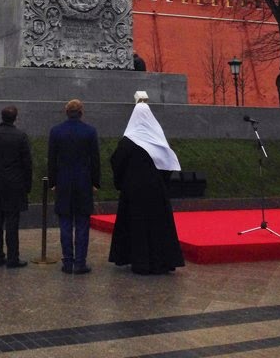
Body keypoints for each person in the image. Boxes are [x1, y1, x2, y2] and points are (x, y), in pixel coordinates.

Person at [108, 94, 185, 275]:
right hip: (156, 192)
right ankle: (161, 261)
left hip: (133, 192)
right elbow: (168, 164)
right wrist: (161, 184)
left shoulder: (127, 142)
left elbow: (116, 162)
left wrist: (121, 183)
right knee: (158, 226)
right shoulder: (158, 139)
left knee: (136, 226)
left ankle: (138, 261)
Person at [48, 99, 100, 275]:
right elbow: (95, 160)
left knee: (65, 223)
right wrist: (95, 182)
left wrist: (53, 182)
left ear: (66, 112)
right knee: (82, 224)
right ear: (81, 112)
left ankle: (67, 262)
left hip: (63, 182)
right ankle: (80, 263)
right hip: (83, 182)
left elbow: (52, 160)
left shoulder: (56, 131)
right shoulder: (90, 132)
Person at [0, 105, 32, 269]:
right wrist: (27, 185)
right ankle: (13, 258)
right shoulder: (20, 137)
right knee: (12, 223)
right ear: (15, 118)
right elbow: (27, 164)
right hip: (15, 184)